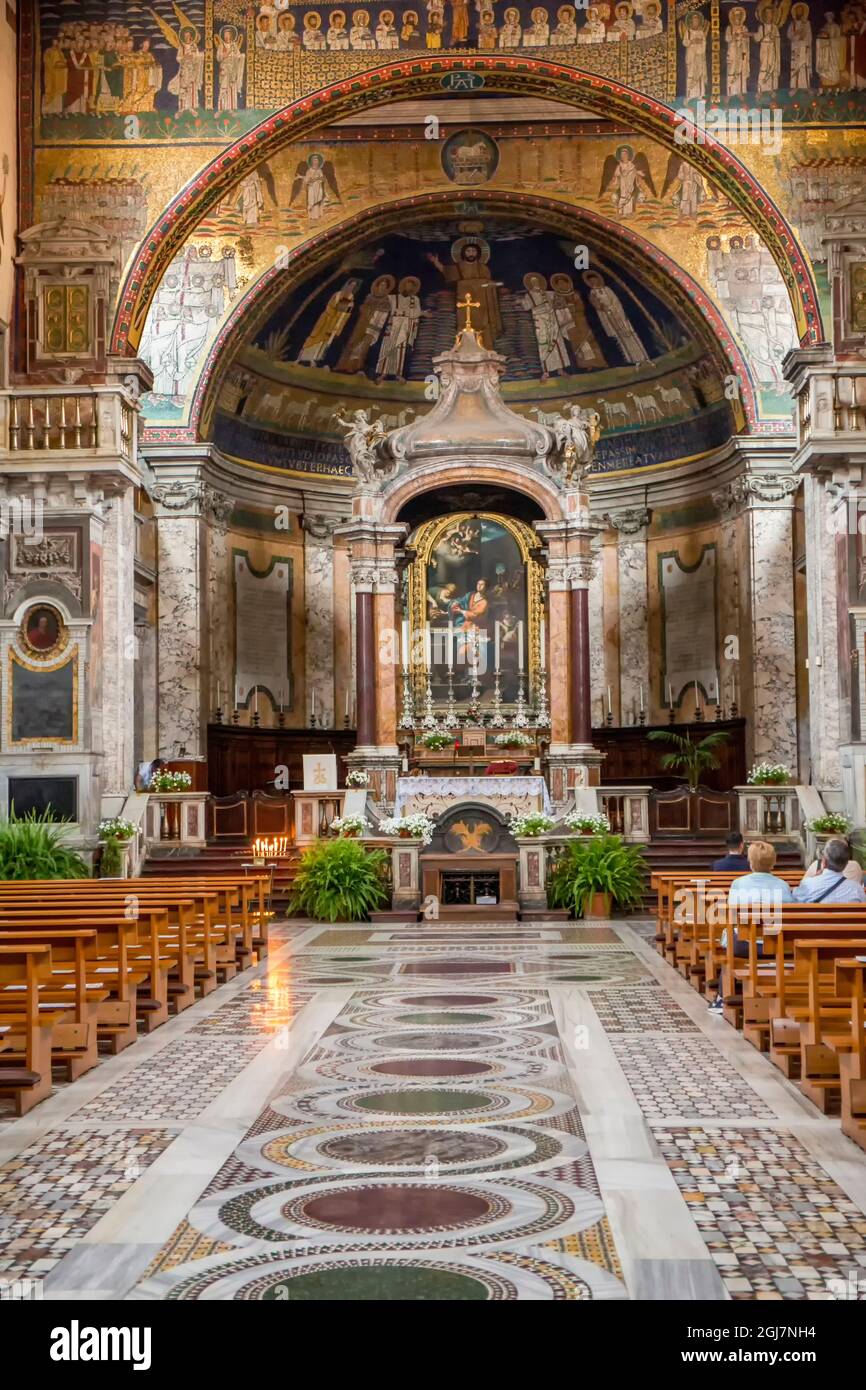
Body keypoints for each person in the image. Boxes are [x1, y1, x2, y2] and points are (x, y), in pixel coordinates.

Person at [708, 840, 793, 1013]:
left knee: (730, 939)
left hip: (744, 944)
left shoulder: (739, 884)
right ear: (773, 862)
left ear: (751, 862)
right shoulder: (783, 886)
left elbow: (732, 915)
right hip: (777, 943)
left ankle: (722, 998)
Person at [793, 837, 866, 903]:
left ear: (824, 862)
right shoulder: (856, 889)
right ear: (846, 864)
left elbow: (795, 899)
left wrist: (813, 879)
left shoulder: (808, 884)